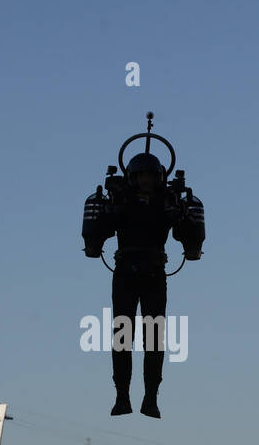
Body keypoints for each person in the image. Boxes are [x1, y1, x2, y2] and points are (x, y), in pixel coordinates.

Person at [83, 120, 204, 419]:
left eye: (151, 177)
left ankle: (150, 397)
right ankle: (122, 396)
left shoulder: (168, 202)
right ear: (133, 177)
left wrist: (181, 215)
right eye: (141, 177)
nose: (146, 182)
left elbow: (187, 235)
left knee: (154, 339)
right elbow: (99, 231)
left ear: (158, 177)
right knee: (122, 337)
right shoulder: (120, 201)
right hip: (125, 272)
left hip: (153, 273)